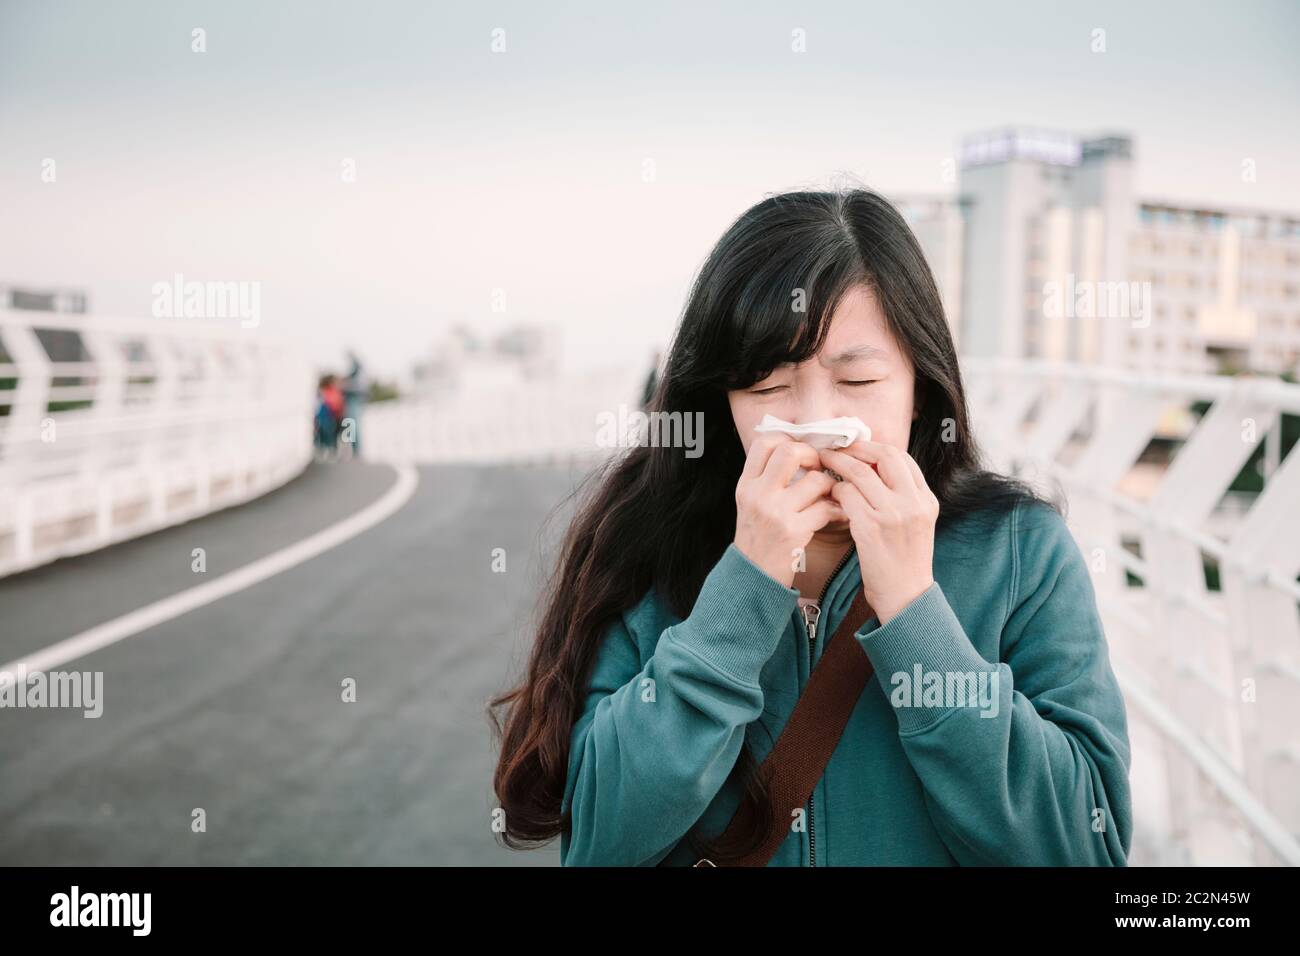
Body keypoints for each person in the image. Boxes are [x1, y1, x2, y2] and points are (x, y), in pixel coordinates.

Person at [489, 187, 1132, 866]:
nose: (813, 423)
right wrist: (740, 597)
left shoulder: (1021, 553)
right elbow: (600, 843)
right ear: (721, 401)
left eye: (857, 382)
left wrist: (917, 613)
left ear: (921, 387)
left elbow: (1085, 849)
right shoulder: (647, 547)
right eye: (767, 388)